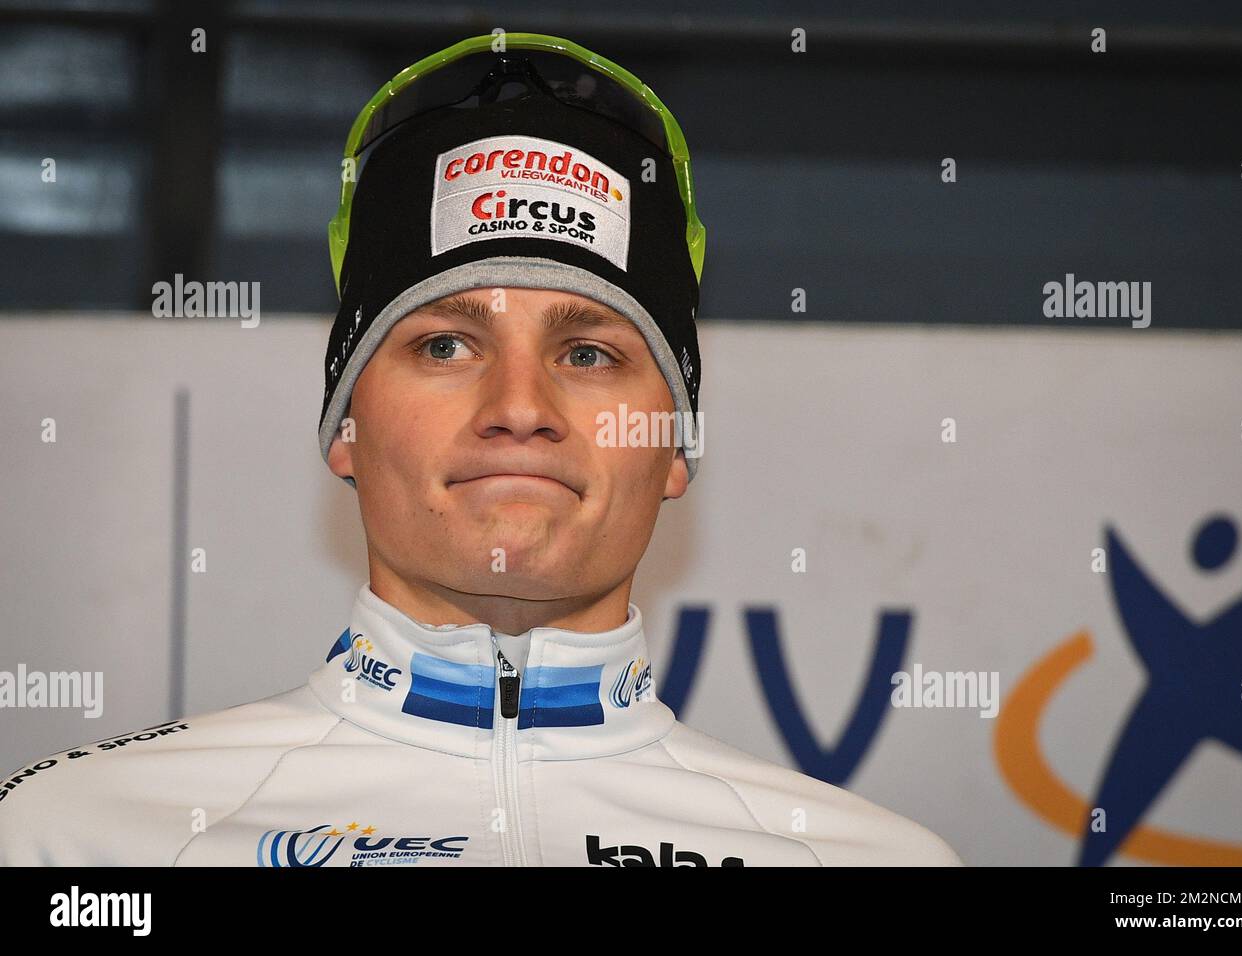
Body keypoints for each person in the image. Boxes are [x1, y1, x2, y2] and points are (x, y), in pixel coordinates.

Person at [0, 34, 961, 866]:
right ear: (345, 424)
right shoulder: (77, 839)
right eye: (445, 345)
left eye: (588, 352)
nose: (517, 408)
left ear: (673, 443)